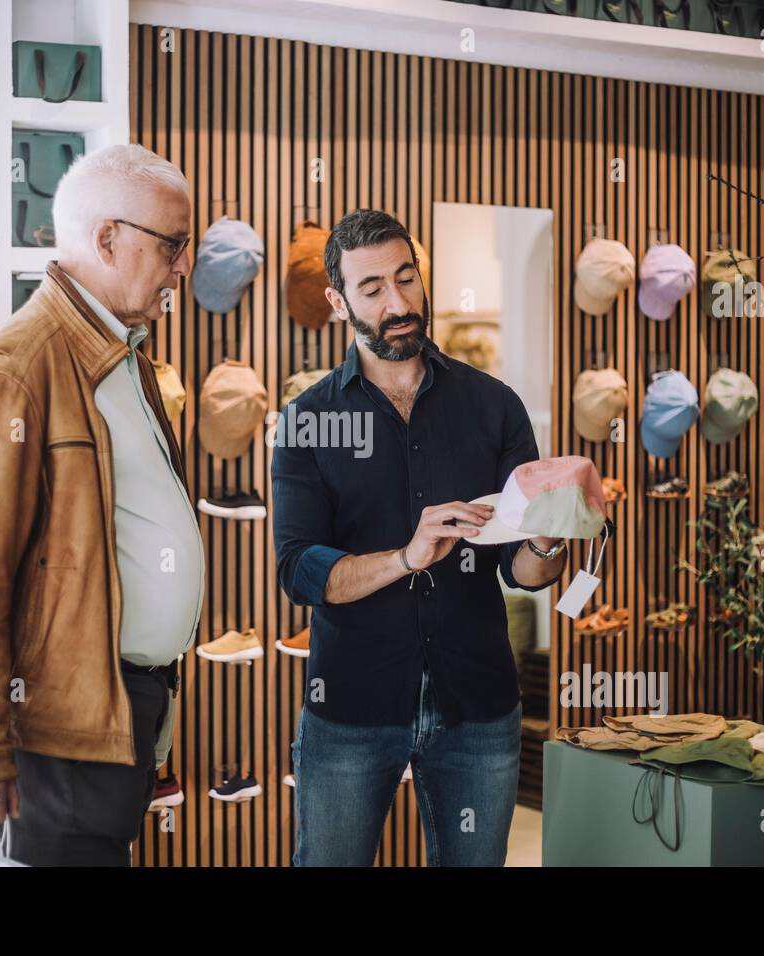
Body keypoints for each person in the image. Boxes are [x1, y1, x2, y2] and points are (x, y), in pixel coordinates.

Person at [271, 209, 567, 866]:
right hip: (350, 709)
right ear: (337, 300)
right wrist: (406, 557)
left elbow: (520, 572)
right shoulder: (308, 421)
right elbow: (298, 570)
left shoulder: (495, 407)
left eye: (407, 278)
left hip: (479, 709)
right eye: (373, 288)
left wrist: (550, 534)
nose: (398, 303)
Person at [0, 144, 204, 866]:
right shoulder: (21, 366)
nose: (182, 267)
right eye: (173, 245)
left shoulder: (125, 355)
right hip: (57, 736)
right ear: (107, 239)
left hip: (118, 709)